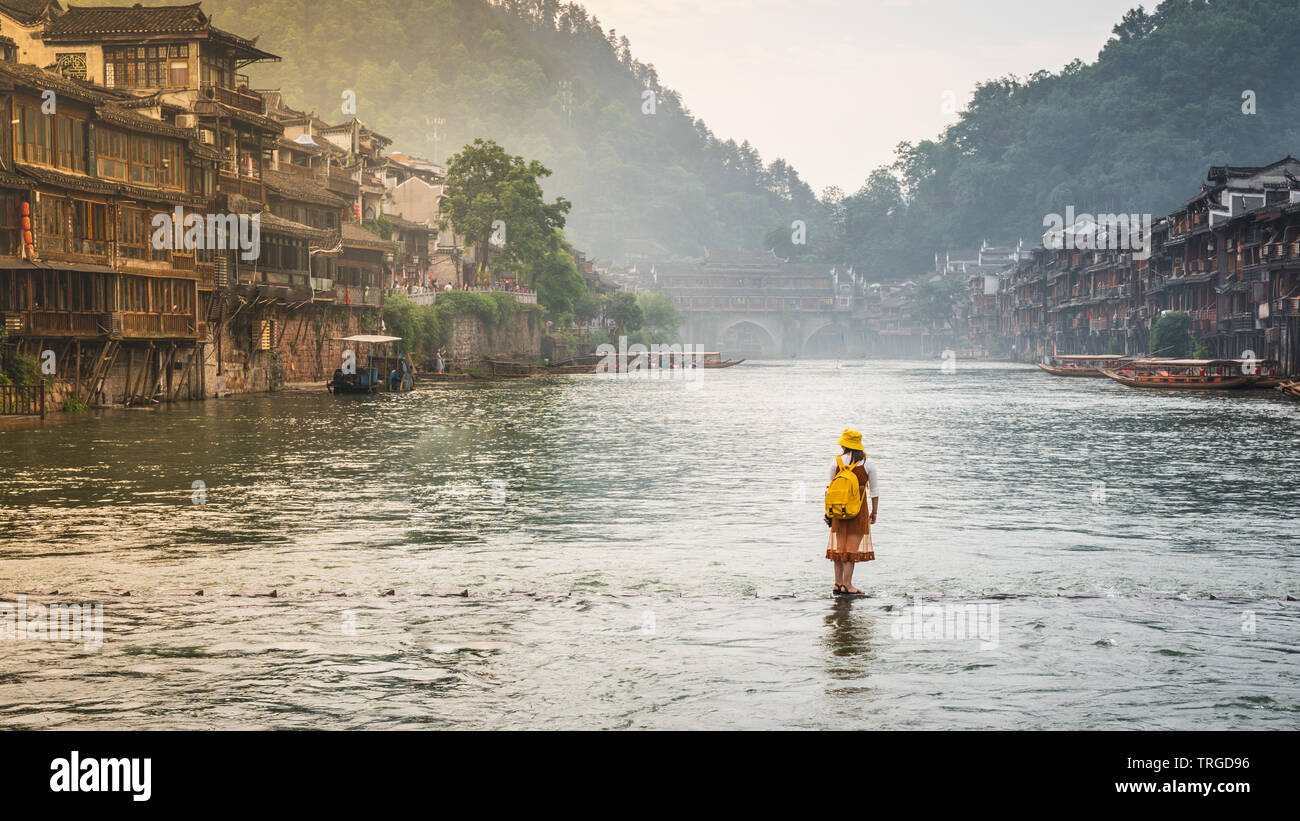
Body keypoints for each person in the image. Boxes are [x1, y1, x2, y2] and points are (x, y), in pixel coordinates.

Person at [824, 429, 879, 596]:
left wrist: (828, 514)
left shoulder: (836, 462)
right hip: (858, 511)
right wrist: (874, 512)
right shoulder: (867, 463)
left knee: (840, 550)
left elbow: (830, 490)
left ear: (843, 444)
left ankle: (838, 584)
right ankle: (848, 586)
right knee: (851, 551)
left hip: (839, 511)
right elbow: (874, 491)